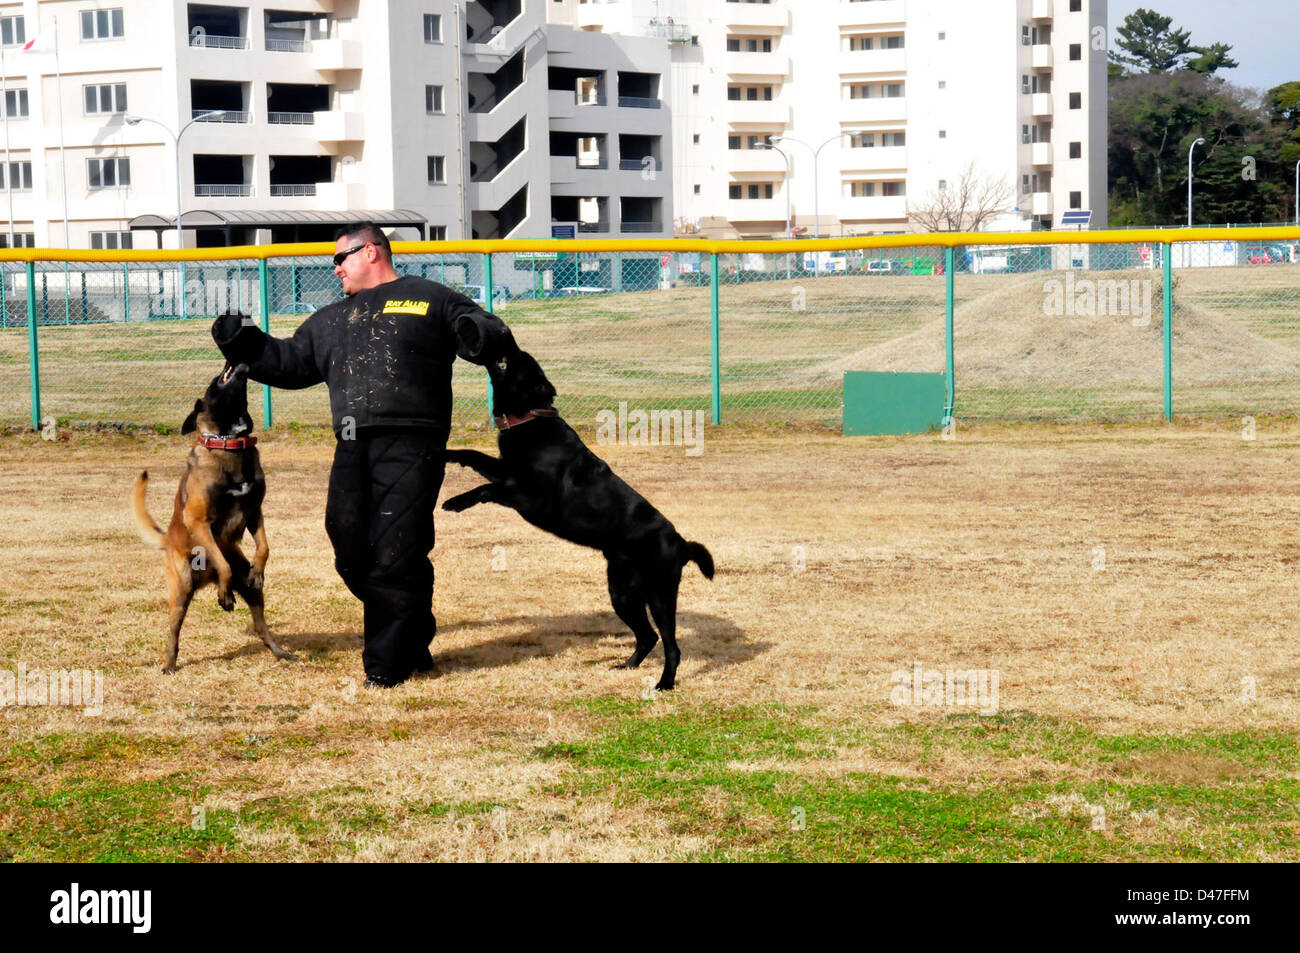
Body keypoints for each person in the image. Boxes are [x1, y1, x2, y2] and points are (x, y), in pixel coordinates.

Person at [211, 222, 517, 688]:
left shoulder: (429, 297)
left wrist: (479, 333)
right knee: (348, 545)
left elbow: (484, 330)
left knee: (397, 551)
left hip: (413, 441)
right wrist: (243, 340)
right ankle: (412, 635)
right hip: (352, 443)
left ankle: (385, 666)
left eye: (341, 258)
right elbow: (289, 361)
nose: (335, 269)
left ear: (372, 251)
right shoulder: (332, 319)